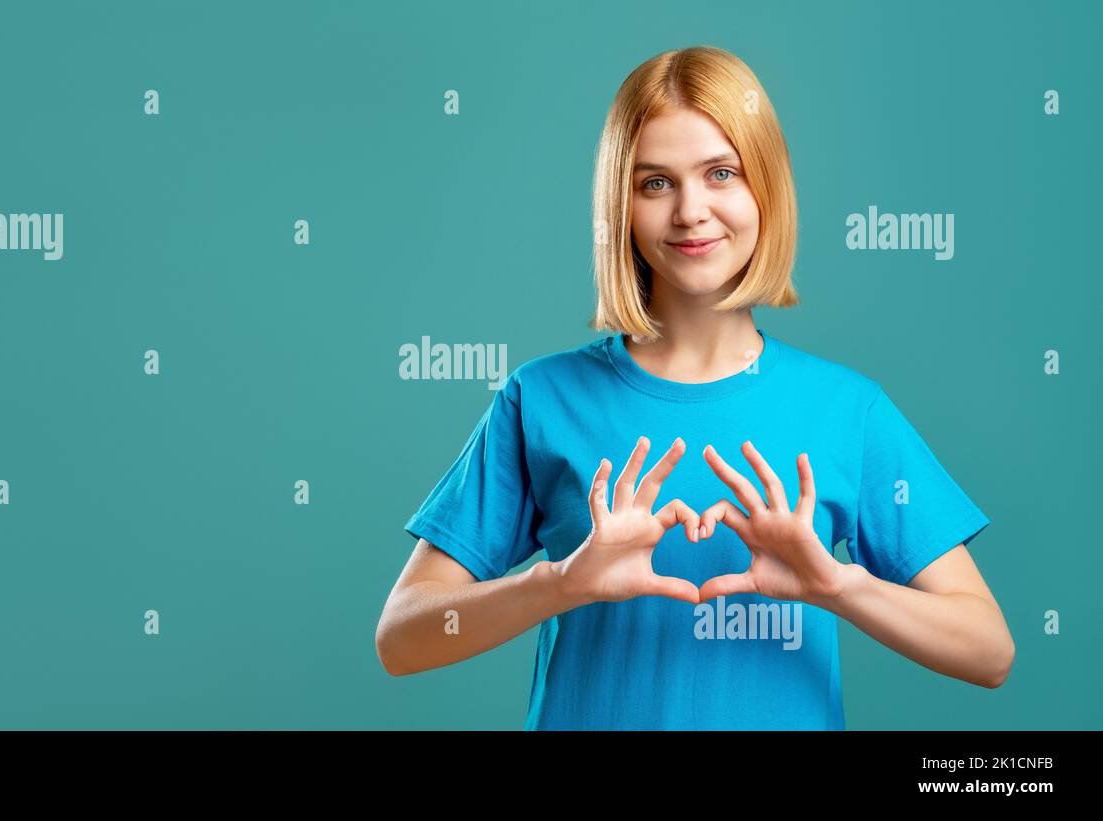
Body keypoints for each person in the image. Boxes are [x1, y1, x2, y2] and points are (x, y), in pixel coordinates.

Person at [374, 46, 1013, 730]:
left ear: (765, 186)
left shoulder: (846, 411)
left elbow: (988, 650)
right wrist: (561, 583)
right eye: (655, 183)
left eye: (720, 173)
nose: (690, 211)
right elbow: (403, 637)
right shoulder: (541, 398)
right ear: (619, 204)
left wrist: (837, 585)